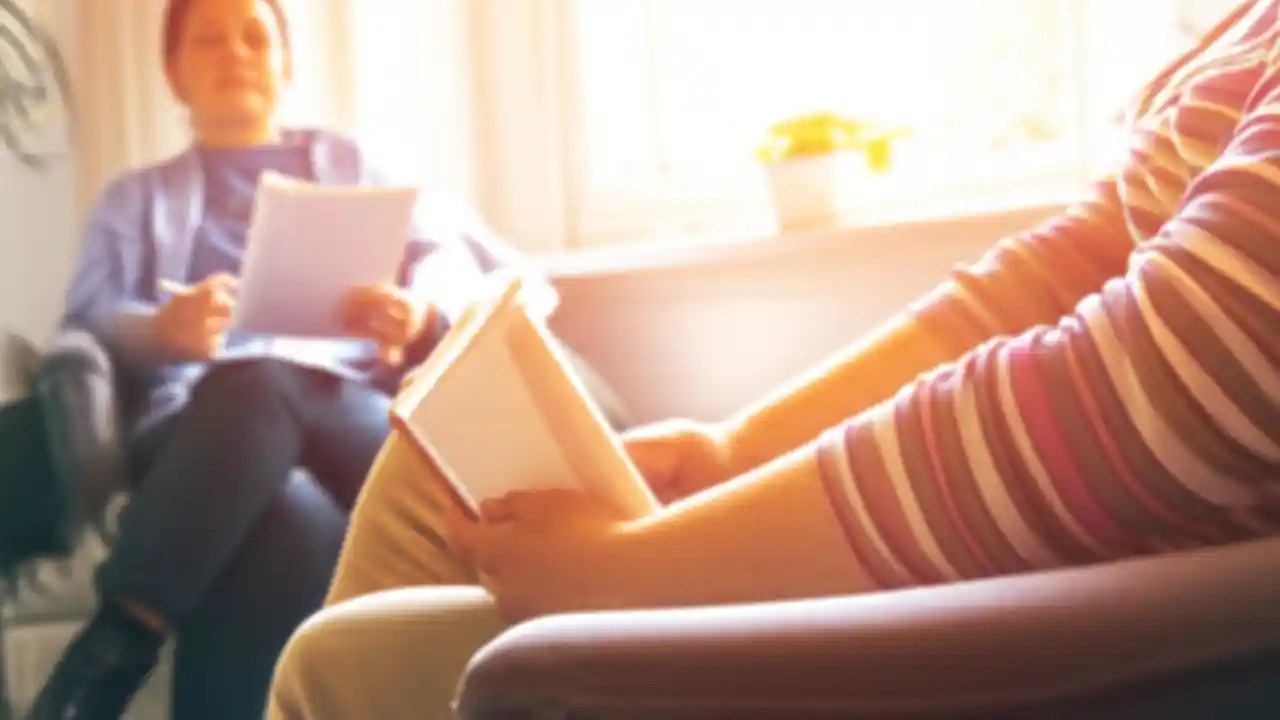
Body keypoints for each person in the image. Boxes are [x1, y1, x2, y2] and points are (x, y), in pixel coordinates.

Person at [269, 0, 1280, 717]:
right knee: (427, 485)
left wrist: (636, 576)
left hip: (1084, 618)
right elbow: (1046, 278)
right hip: (1033, 555)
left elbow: (1181, 382)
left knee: (342, 663)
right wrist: (733, 449)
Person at [26, 0, 541, 718]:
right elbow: (88, 322)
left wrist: (419, 313)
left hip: (355, 424)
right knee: (286, 514)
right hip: (198, 440)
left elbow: (451, 257)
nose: (234, 53)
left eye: (254, 37)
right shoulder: (133, 199)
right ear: (172, 71)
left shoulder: (351, 164)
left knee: (267, 377)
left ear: (285, 63)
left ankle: (115, 644)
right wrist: (161, 332)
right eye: (208, 39)